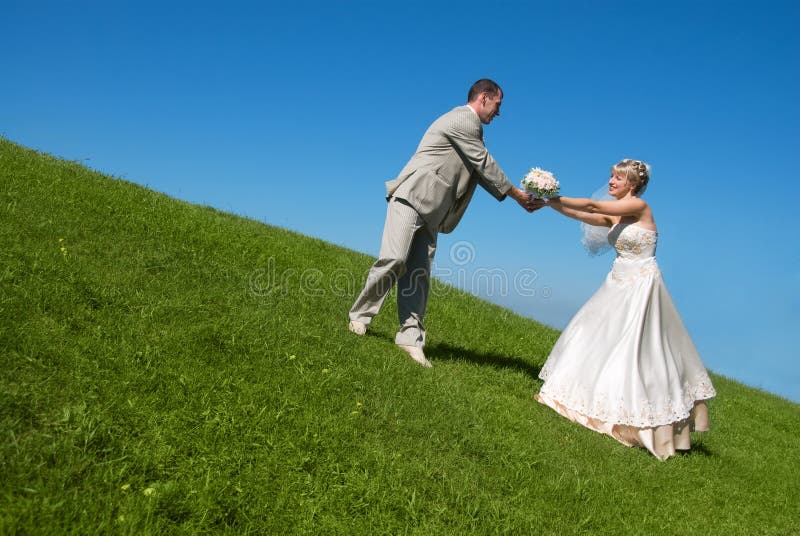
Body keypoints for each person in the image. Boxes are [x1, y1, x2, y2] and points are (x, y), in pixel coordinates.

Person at [348, 79, 539, 367]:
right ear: (484, 97)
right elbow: (484, 163)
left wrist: (519, 196)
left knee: (419, 275)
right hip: (411, 197)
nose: (498, 113)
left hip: (434, 211)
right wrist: (516, 195)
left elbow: (479, 170)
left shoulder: (473, 132)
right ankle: (359, 317)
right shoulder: (463, 120)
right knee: (395, 258)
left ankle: (410, 339)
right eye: (498, 105)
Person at [535, 159, 716, 460]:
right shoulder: (617, 218)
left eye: (617, 178)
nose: (611, 182)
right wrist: (548, 204)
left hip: (641, 286)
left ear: (632, 185)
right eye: (611, 176)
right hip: (617, 282)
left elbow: (593, 206)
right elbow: (582, 213)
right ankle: (578, 399)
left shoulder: (639, 208)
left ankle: (637, 419)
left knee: (636, 349)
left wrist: (554, 196)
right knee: (590, 335)